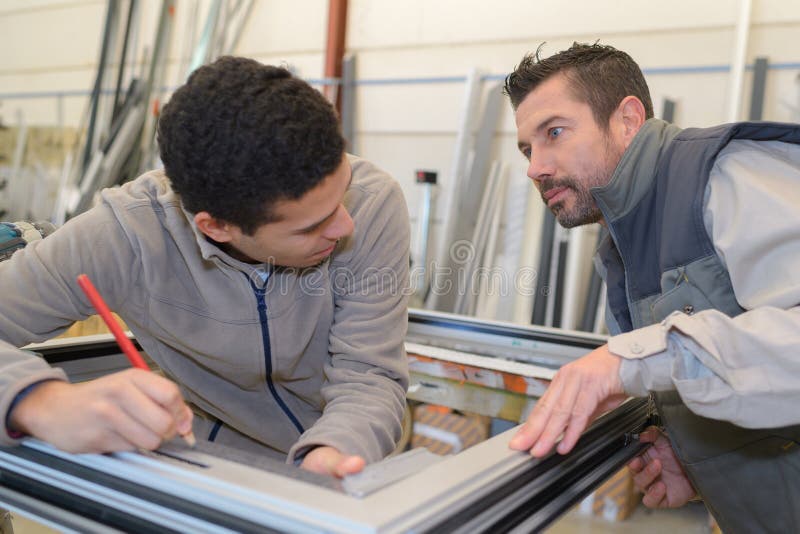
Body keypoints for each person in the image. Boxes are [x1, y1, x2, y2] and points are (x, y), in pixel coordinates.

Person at [0, 56, 410, 479]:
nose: (346, 225)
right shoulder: (125, 235)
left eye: (342, 193)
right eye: (313, 226)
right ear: (216, 227)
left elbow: (369, 375)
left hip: (343, 458)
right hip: (213, 467)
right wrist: (38, 401)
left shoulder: (374, 201)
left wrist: (332, 453)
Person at [502, 42, 800, 532]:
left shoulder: (723, 173)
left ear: (627, 119)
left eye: (554, 132)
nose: (535, 166)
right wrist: (702, 465)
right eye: (527, 149)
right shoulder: (621, 242)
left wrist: (634, 357)